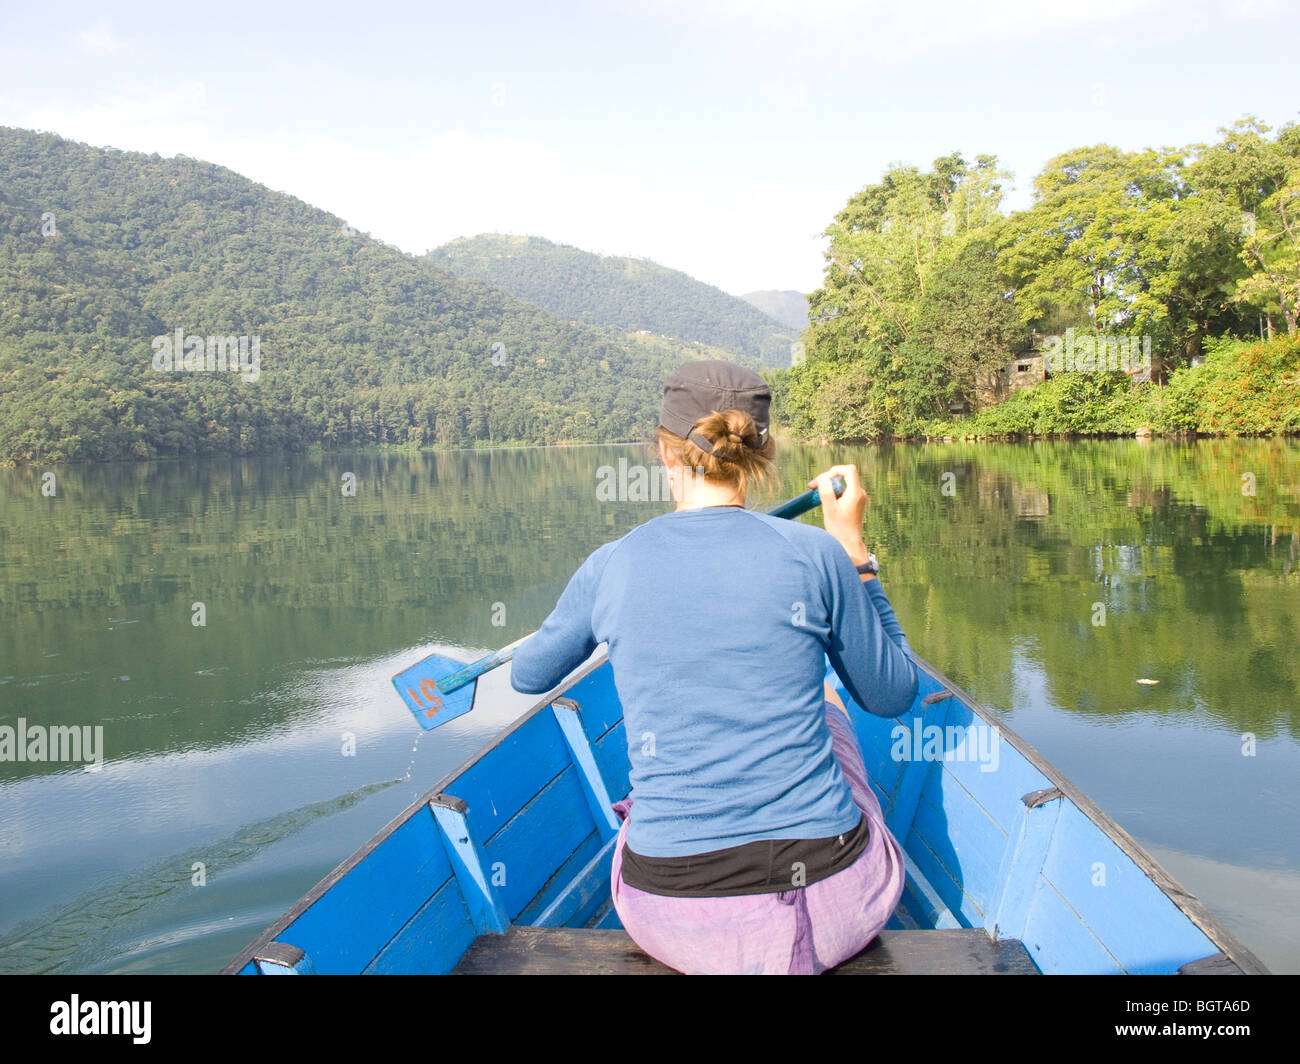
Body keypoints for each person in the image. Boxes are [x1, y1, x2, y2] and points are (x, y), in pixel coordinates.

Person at [510, 360, 918, 974]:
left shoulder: (611, 564)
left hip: (673, 915)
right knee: (832, 711)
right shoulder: (817, 554)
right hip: (833, 904)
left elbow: (527, 676)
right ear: (762, 455)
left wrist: (578, 613)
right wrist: (855, 554)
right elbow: (892, 695)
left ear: (663, 452)